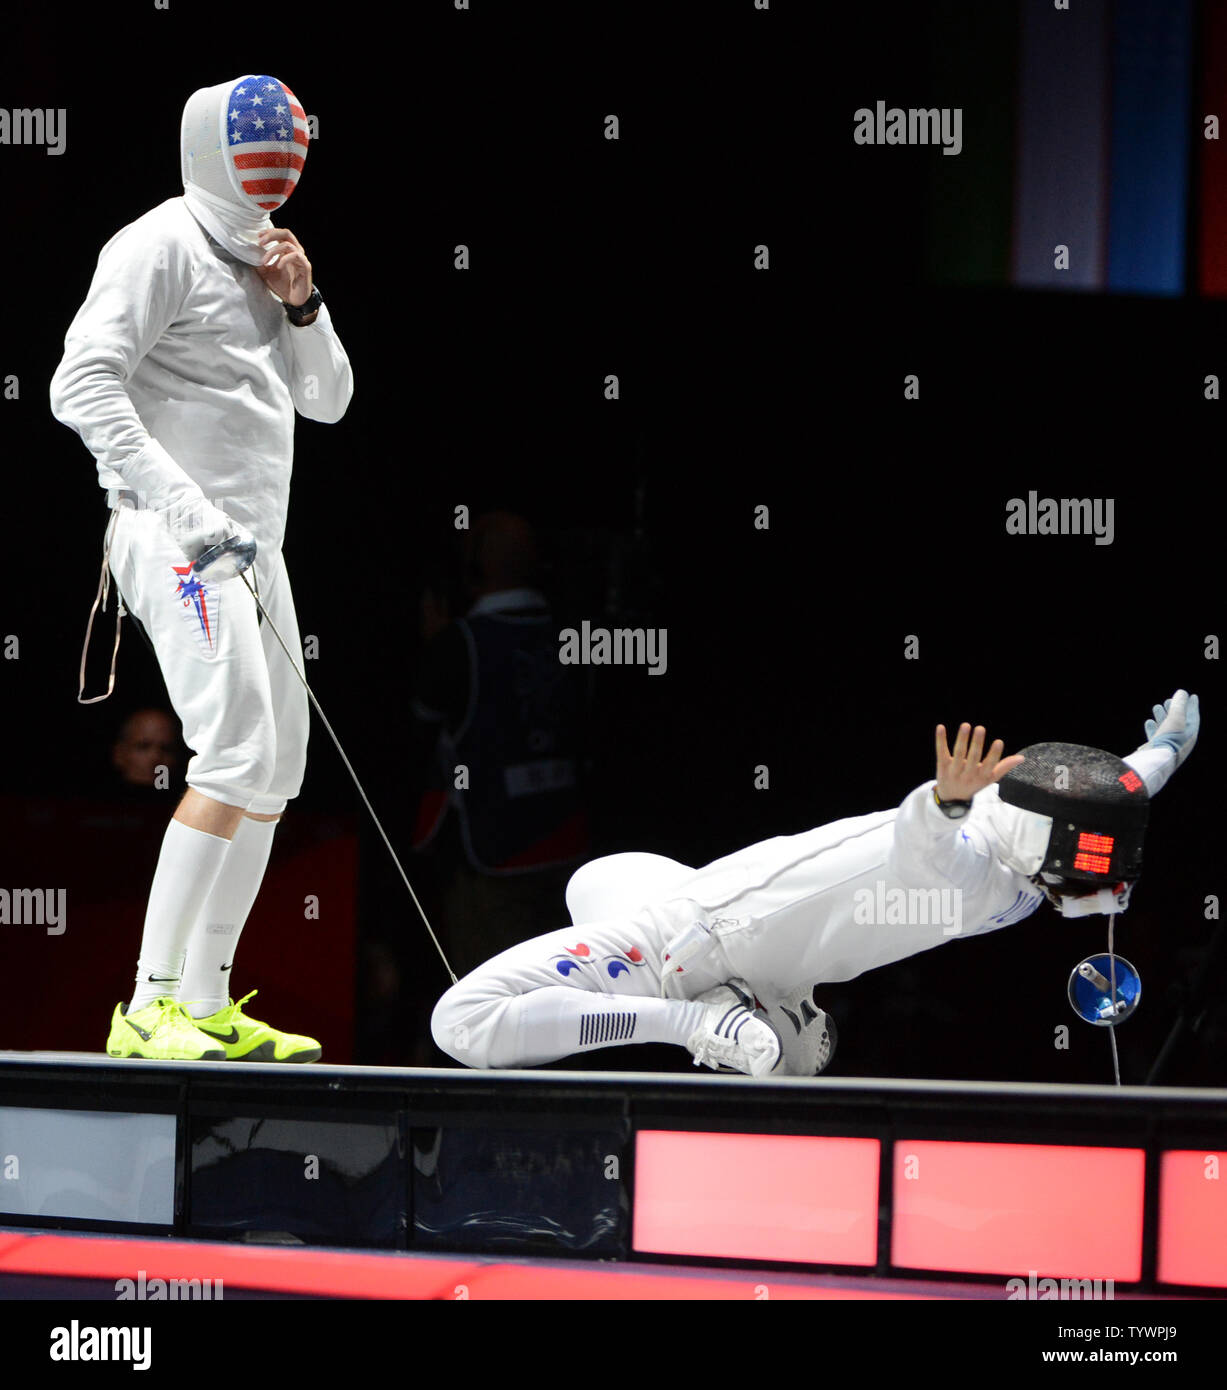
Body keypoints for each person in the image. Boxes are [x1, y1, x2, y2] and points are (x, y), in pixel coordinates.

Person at [50, 75, 353, 1062]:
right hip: (177, 540)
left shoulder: (272, 257)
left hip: (253, 550)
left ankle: (209, 1000)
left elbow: (331, 402)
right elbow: (79, 383)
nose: (279, 156)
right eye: (262, 144)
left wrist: (303, 305)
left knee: (274, 766)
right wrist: (187, 509)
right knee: (228, 755)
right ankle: (147, 1007)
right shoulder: (157, 245)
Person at [432, 691, 1199, 1077]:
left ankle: (702, 1023)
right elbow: (945, 837)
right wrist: (1159, 751)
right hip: (724, 944)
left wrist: (944, 800)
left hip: (702, 939)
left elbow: (945, 836)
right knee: (600, 878)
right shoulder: (999, 871)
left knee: (459, 1024)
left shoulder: (984, 859)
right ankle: (738, 1013)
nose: (1111, 884)